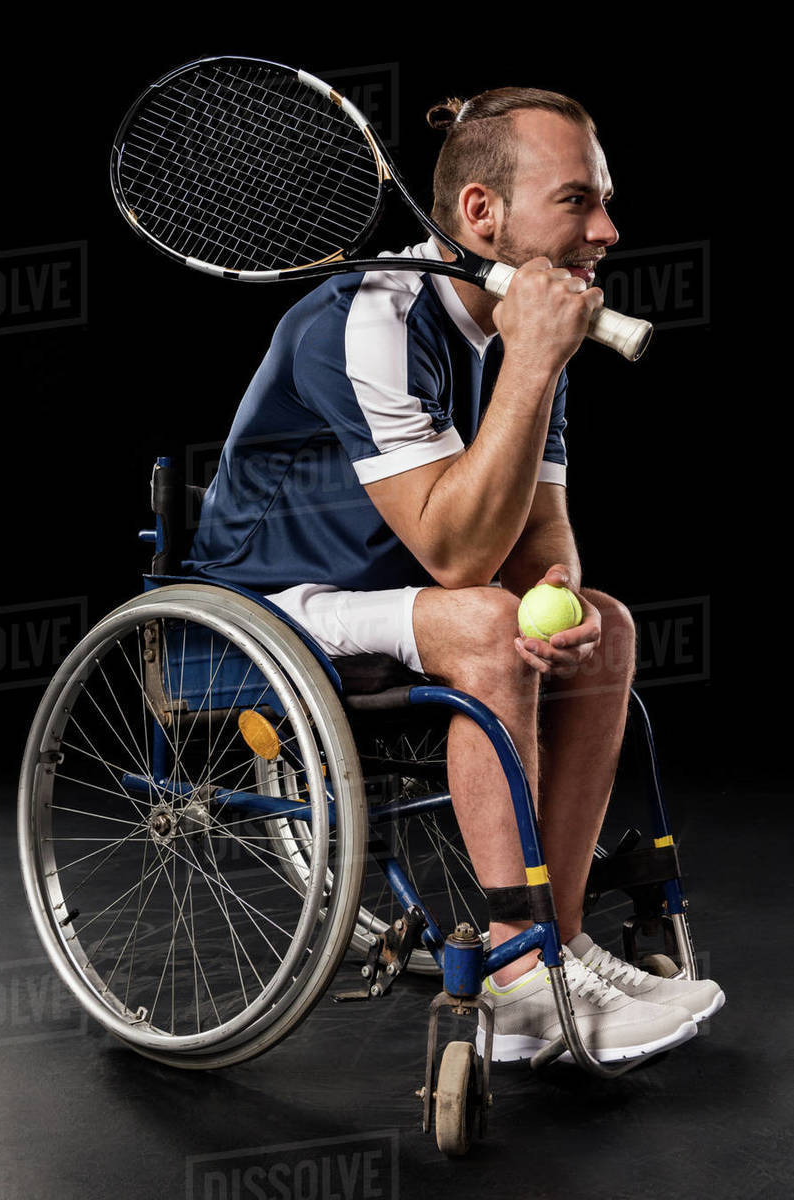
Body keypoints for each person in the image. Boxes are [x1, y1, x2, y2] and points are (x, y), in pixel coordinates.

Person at [185, 85, 724, 1062]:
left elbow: (541, 547)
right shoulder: (365, 323)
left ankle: (555, 950)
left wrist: (559, 606)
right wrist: (533, 368)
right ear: (483, 215)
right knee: (484, 619)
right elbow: (463, 558)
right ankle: (520, 986)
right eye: (577, 201)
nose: (608, 228)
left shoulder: (530, 340)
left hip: (408, 600)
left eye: (603, 200)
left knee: (604, 625)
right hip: (266, 607)